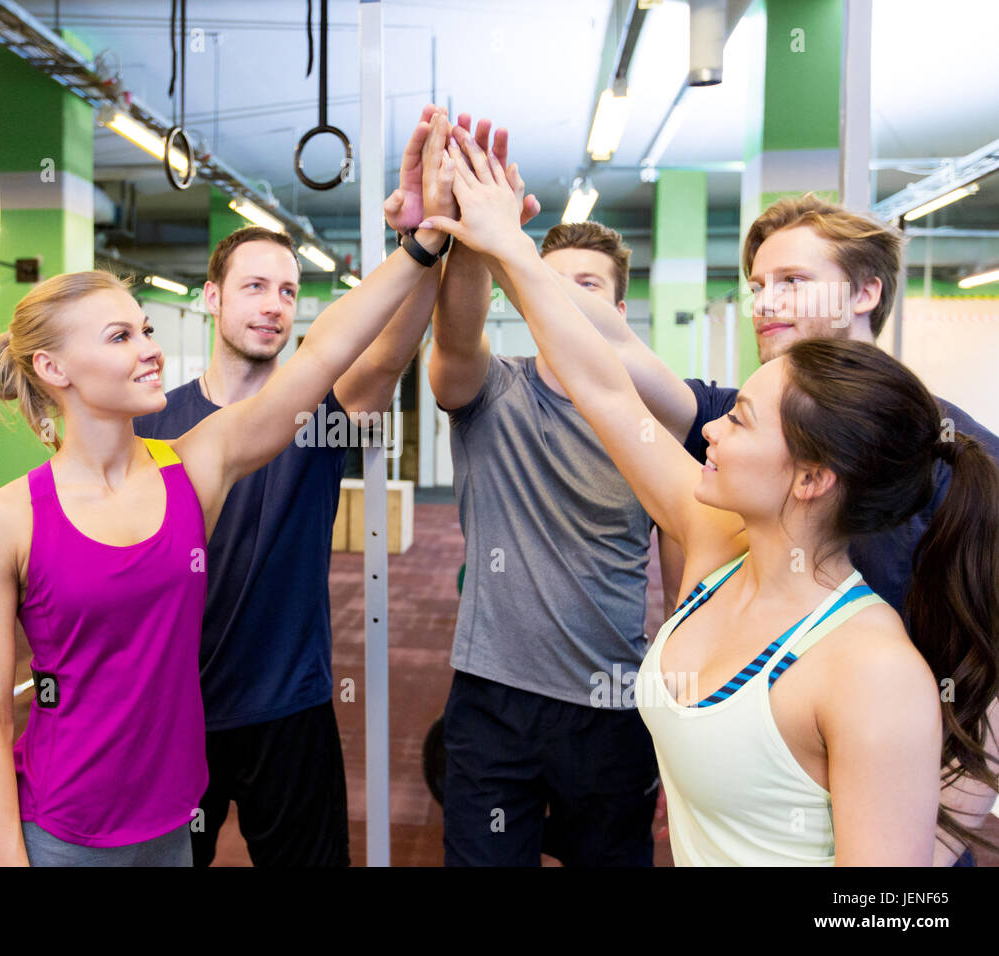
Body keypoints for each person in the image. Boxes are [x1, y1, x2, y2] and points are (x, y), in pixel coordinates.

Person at [420, 127, 999, 865]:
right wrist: (493, 239)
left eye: (741, 420)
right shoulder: (717, 531)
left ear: (813, 476)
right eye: (758, 284)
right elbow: (603, 377)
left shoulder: (873, 665)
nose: (711, 429)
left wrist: (931, 833)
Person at [0, 193, 453, 865]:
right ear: (53, 368)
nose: (150, 349)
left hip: (167, 824)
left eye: (147, 330)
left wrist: (421, 247)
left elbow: (321, 358)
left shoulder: (192, 468)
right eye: (122, 337)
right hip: (63, 830)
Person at [135, 105, 493, 866]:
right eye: (255, 286)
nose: (272, 305)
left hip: (286, 707)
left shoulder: (318, 412)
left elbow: (388, 352)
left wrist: (427, 246)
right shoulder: (153, 420)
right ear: (212, 297)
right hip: (174, 709)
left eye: (289, 292)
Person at [428, 120, 659, 867]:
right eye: (544, 279)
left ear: (617, 315)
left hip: (611, 701)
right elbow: (457, 343)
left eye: (584, 286)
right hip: (493, 698)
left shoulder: (653, 418)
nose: (559, 295)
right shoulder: (494, 392)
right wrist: (472, 232)